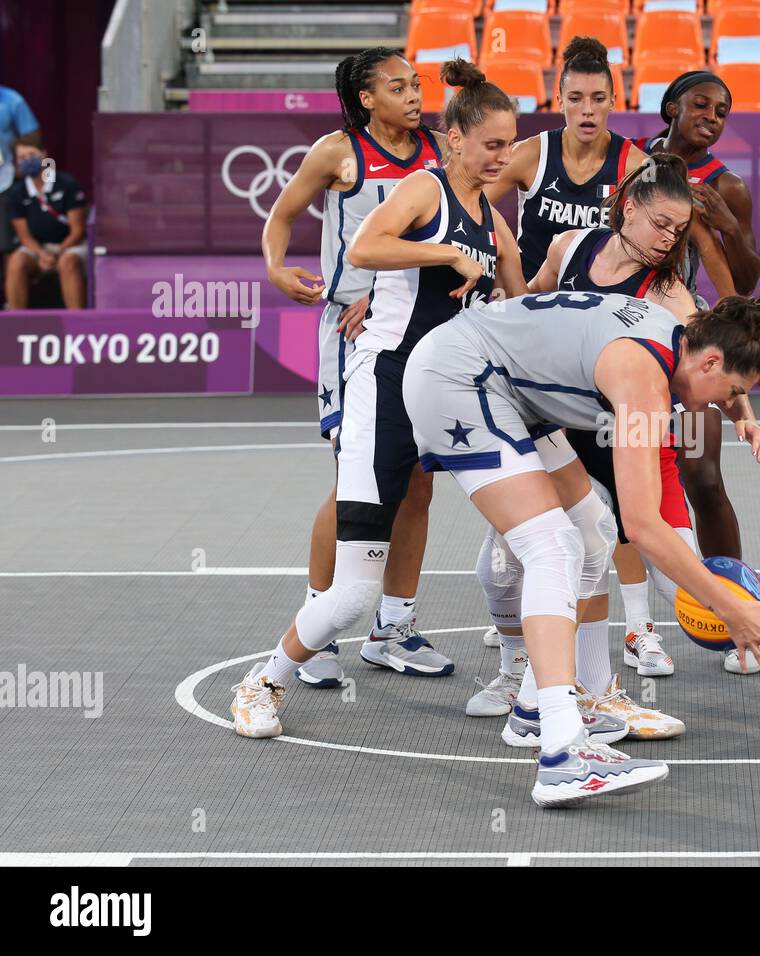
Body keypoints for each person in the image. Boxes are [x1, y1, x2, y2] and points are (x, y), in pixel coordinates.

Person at [400, 289, 760, 806]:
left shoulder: (674, 332)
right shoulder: (644, 382)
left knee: (593, 529)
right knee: (554, 546)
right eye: (732, 390)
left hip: (503, 383)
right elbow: (645, 526)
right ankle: (561, 758)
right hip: (458, 377)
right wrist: (729, 607)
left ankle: (533, 713)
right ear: (711, 362)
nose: (724, 403)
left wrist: (741, 405)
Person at [229, 59, 529, 738]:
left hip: (449, 390)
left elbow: (522, 301)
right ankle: (268, 677)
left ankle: (528, 678)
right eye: (493, 144)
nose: (503, 158)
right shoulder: (410, 183)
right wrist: (444, 258)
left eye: (510, 145)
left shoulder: (489, 215)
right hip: (379, 372)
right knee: (351, 585)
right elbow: (365, 247)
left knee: (540, 528)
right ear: (459, 140)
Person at [468, 154, 705, 740]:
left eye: (678, 230)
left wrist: (743, 410)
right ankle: (522, 675)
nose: (668, 238)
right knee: (506, 560)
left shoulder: (668, 291)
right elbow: (531, 306)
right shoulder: (570, 247)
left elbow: (708, 355)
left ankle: (588, 689)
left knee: (601, 550)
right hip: (547, 423)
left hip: (617, 435)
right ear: (629, 207)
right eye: (661, 224)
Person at [261, 47, 453, 687]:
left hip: (420, 331)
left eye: (416, 84)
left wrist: (392, 291)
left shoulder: (438, 154)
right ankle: (317, 628)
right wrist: (276, 267)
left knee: (418, 480)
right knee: (354, 483)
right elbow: (282, 215)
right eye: (398, 87)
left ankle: (393, 628)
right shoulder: (337, 152)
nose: (414, 95)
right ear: (366, 98)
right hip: (353, 334)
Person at [632, 71, 760, 675]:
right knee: (600, 489)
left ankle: (737, 614)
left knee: (704, 477)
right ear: (671, 107)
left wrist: (730, 227)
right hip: (620, 334)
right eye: (701, 105)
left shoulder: (727, 186)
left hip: (685, 342)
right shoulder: (632, 162)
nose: (712, 117)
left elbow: (744, 281)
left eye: (722, 111)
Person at [5, 140, 87, 309]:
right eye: (22, 158)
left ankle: (77, 321)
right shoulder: (17, 192)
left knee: (68, 262)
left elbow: (77, 231)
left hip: (70, 245)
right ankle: (15, 321)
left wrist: (57, 252)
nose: (27, 160)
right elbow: (24, 236)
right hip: (38, 248)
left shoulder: (66, 183)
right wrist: (42, 254)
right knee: (16, 261)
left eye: (32, 155)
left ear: (44, 154)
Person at [0, 85, 41, 293]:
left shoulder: (12, 100)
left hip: (3, 183)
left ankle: (8, 302)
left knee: (7, 244)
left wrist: (17, 161)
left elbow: (31, 137)